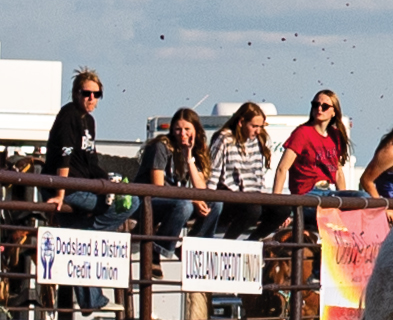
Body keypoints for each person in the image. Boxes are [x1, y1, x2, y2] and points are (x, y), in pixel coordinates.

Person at [43, 67, 122, 315]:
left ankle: (90, 300)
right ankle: (90, 237)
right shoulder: (68, 116)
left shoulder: (89, 121)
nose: (91, 98)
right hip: (66, 187)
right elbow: (64, 156)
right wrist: (60, 193)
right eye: (86, 93)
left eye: (96, 94)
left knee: (76, 242)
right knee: (125, 206)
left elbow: (91, 161)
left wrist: (109, 181)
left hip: (82, 184)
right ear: (76, 93)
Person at [202, 102, 281, 238]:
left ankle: (253, 241)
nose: (258, 131)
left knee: (283, 210)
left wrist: (267, 199)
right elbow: (214, 171)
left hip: (253, 195)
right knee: (253, 210)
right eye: (254, 126)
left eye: (261, 127)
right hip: (230, 195)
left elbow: (259, 176)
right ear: (241, 123)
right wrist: (208, 199)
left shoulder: (258, 140)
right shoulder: (224, 139)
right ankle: (229, 241)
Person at [140, 108, 209, 248]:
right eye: (178, 129)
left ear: (196, 130)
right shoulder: (161, 147)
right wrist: (192, 200)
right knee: (184, 206)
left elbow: (202, 191)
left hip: (178, 200)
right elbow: (158, 189)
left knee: (215, 204)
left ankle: (191, 247)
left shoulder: (195, 150)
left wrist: (189, 158)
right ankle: (159, 249)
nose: (182, 134)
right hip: (149, 202)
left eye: (187, 129)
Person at [284, 90, 351, 195]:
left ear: (334, 112)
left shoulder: (336, 135)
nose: (319, 109)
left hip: (327, 190)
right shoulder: (302, 133)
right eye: (316, 105)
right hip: (307, 192)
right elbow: (282, 168)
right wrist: (276, 199)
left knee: (363, 196)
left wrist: (344, 199)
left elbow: (338, 171)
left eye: (325, 107)